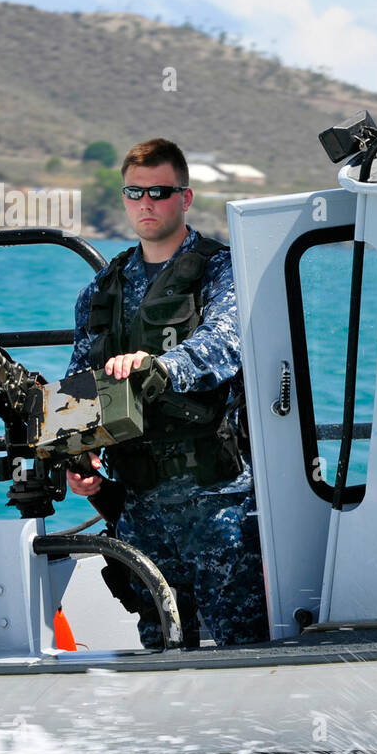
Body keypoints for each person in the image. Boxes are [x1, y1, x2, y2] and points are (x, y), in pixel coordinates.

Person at [65, 138, 267, 647]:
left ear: (185, 197)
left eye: (159, 191)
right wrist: (79, 454)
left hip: (217, 501)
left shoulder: (221, 269)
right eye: (135, 192)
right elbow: (81, 385)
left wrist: (160, 368)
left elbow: (225, 343)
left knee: (241, 647)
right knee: (161, 648)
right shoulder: (102, 290)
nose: (146, 203)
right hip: (140, 506)